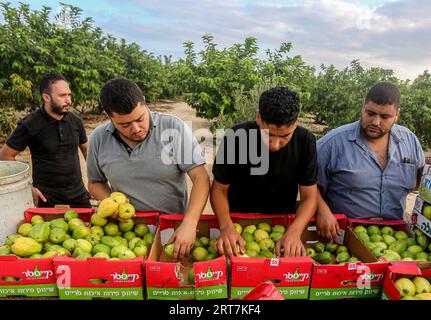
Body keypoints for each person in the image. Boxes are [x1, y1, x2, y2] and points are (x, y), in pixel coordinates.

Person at [87, 77, 210, 261]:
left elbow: (201, 179)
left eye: (140, 119)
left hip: (172, 228)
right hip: (127, 232)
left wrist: (190, 223)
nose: (135, 128)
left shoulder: (172, 128)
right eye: (124, 125)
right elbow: (95, 182)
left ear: (144, 102)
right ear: (109, 116)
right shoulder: (99, 138)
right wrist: (109, 204)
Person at [210, 86, 318, 258]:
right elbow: (218, 189)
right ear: (258, 117)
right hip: (238, 221)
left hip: (281, 223)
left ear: (296, 120)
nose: (275, 144)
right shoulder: (236, 137)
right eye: (268, 135)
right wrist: (226, 226)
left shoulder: (306, 141)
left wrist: (295, 231)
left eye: (284, 136)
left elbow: (309, 196)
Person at [316, 82, 425, 240]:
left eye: (385, 117)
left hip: (394, 239)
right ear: (363, 108)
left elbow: (420, 181)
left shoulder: (410, 141)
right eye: (370, 113)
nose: (375, 122)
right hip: (342, 237)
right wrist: (322, 211)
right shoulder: (333, 143)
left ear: (397, 114)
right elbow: (309, 185)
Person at [0, 74, 91, 208]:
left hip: (78, 195)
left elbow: (86, 150)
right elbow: (5, 155)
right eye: (62, 96)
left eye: (69, 95)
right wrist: (27, 188)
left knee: (88, 228)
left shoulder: (75, 121)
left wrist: (95, 181)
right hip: (46, 198)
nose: (68, 100)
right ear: (46, 97)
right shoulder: (30, 124)